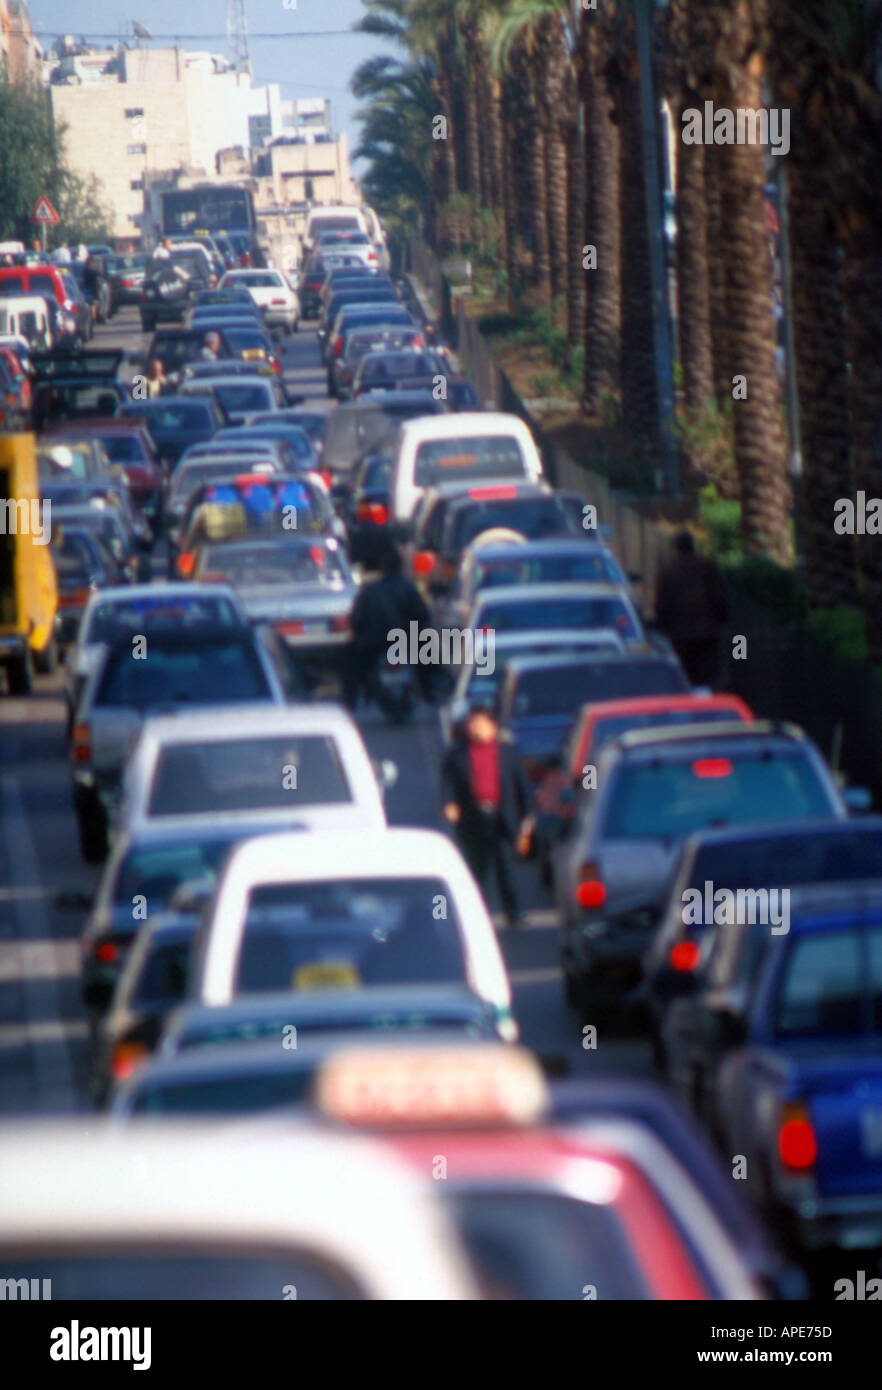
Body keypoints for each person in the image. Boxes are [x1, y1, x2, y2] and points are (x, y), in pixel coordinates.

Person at [440, 699, 533, 929]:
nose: (474, 727)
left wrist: (527, 817)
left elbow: (522, 786)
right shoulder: (457, 754)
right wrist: (450, 804)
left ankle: (515, 913)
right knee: (477, 870)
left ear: (492, 726)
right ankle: (478, 914)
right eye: (471, 723)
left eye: (479, 723)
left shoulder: (508, 753)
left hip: (502, 818)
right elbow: (447, 784)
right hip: (472, 820)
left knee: (506, 868)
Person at [342, 538, 433, 710]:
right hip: (403, 642)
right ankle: (428, 691)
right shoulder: (408, 588)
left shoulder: (370, 590)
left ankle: (350, 700)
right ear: (400, 567)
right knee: (428, 659)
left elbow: (356, 619)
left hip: (374, 644)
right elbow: (423, 616)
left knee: (349, 657)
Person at [655, 529, 729, 688]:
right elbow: (719, 597)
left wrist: (664, 628)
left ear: (677, 548)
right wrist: (722, 620)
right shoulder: (707, 567)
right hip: (706, 633)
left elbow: (662, 605)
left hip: (680, 635)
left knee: (684, 678)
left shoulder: (668, 572)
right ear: (692, 546)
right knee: (708, 678)